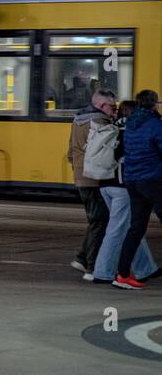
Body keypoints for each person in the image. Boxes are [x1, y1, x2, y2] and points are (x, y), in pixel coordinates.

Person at [89, 99, 160, 286]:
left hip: (104, 183)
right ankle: (103, 272)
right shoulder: (129, 130)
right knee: (117, 230)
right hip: (122, 186)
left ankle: (146, 268)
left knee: (133, 228)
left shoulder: (111, 127)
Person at [113, 89, 162, 289]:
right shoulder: (154, 124)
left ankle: (122, 274)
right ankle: (123, 274)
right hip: (153, 180)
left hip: (133, 181)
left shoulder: (132, 124)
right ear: (153, 104)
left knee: (136, 228)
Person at [68, 90, 116, 274]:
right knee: (100, 221)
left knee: (96, 220)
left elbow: (70, 151)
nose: (114, 110)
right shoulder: (100, 122)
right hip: (95, 178)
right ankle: (91, 265)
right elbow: (106, 152)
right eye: (112, 106)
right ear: (103, 105)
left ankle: (82, 257)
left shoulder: (78, 120)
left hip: (81, 176)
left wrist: (78, 170)